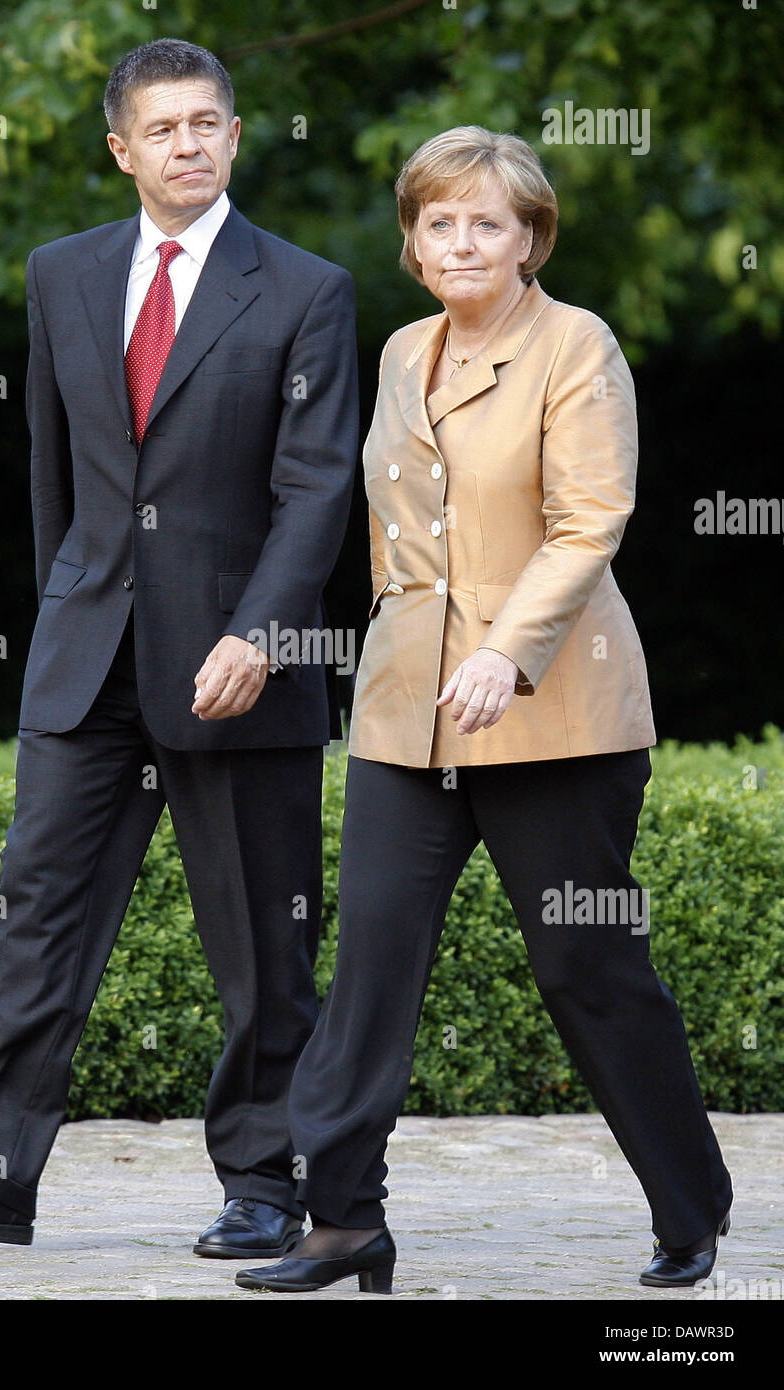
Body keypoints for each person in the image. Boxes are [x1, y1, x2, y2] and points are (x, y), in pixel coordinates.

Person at [0, 38, 358, 1261]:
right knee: (33, 917)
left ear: (237, 138)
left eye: (209, 123)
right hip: (87, 657)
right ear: (121, 150)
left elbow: (316, 491)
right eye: (164, 128)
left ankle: (265, 1182)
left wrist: (262, 633)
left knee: (261, 939)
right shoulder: (61, 274)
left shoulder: (307, 290)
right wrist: (65, 613)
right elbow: (57, 473)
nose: (188, 144)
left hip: (240, 669)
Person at [236, 126, 733, 1295]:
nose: (462, 241)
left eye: (488, 223)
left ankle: (689, 1202)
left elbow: (588, 523)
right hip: (409, 717)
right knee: (368, 965)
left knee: (586, 966)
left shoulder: (577, 344)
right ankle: (345, 1217)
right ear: (413, 243)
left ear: (529, 239)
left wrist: (507, 655)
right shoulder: (405, 350)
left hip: (557, 717)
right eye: (439, 221)